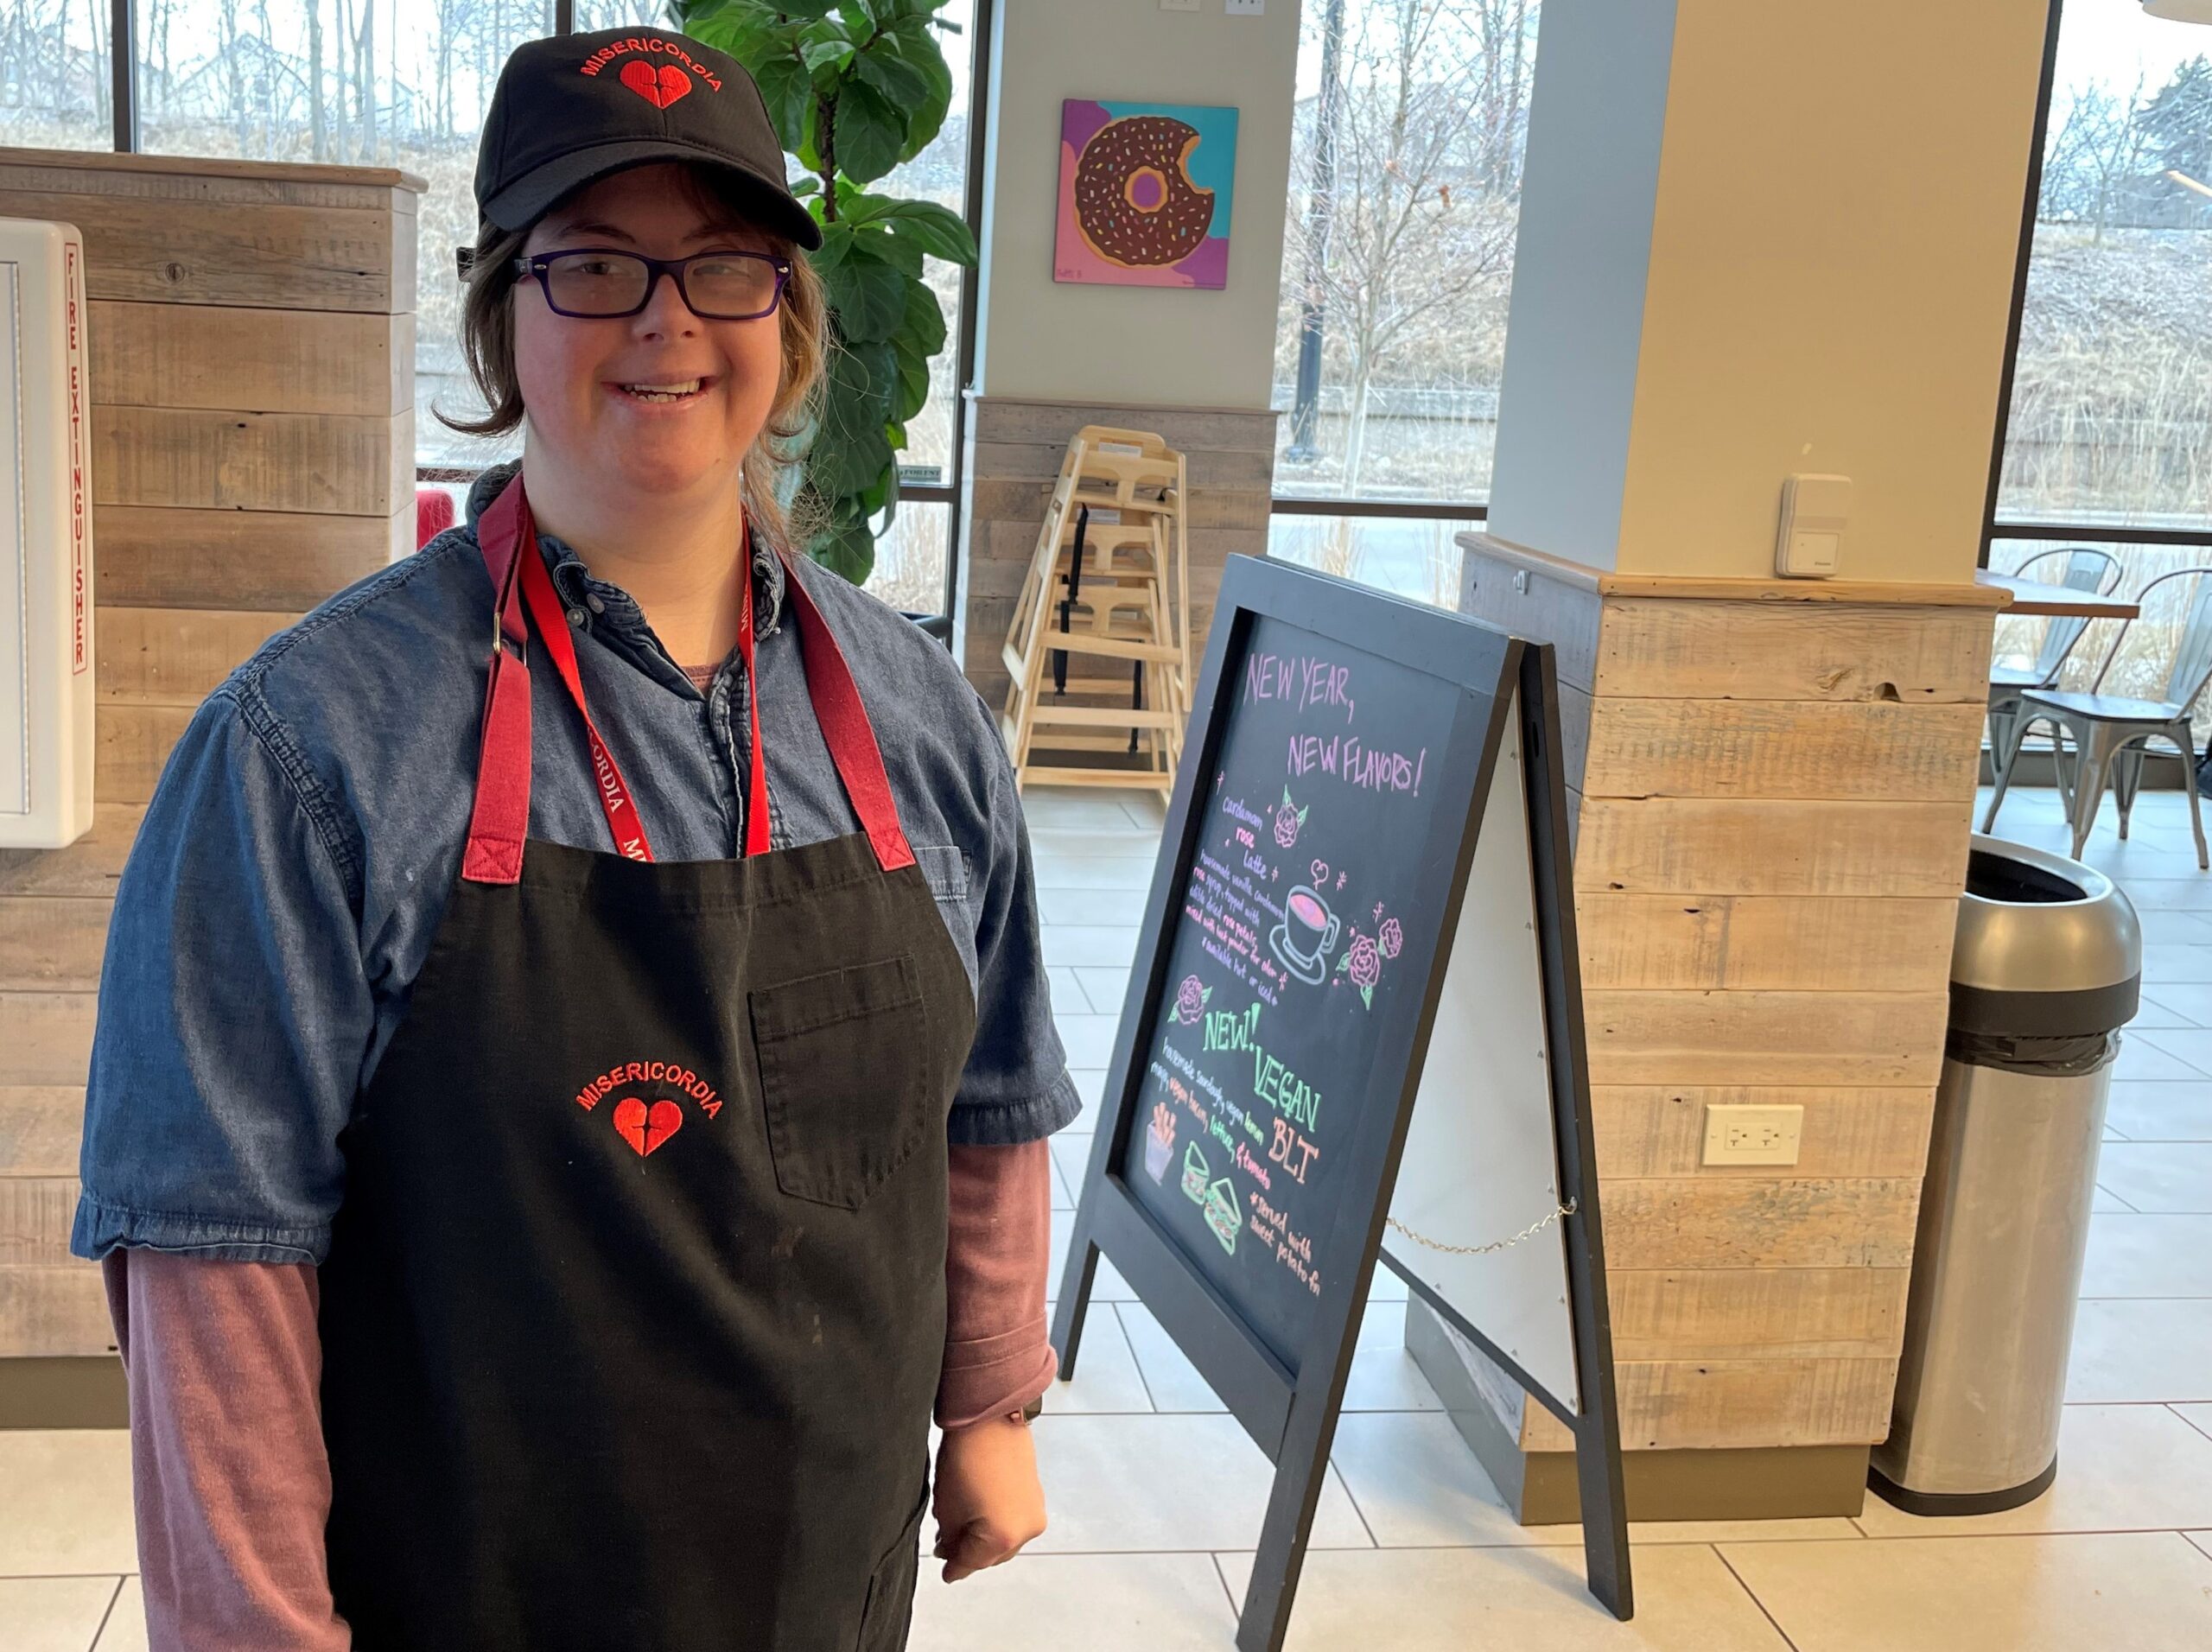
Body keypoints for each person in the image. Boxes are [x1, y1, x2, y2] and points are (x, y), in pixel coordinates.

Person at [71, 27, 1080, 1651]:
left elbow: (992, 1094)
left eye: (726, 267)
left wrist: (992, 1403)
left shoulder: (917, 717)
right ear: (501, 319)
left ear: (791, 323)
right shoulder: (309, 748)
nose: (668, 321)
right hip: (461, 1595)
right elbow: (213, 1261)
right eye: (595, 265)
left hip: (827, 1591)